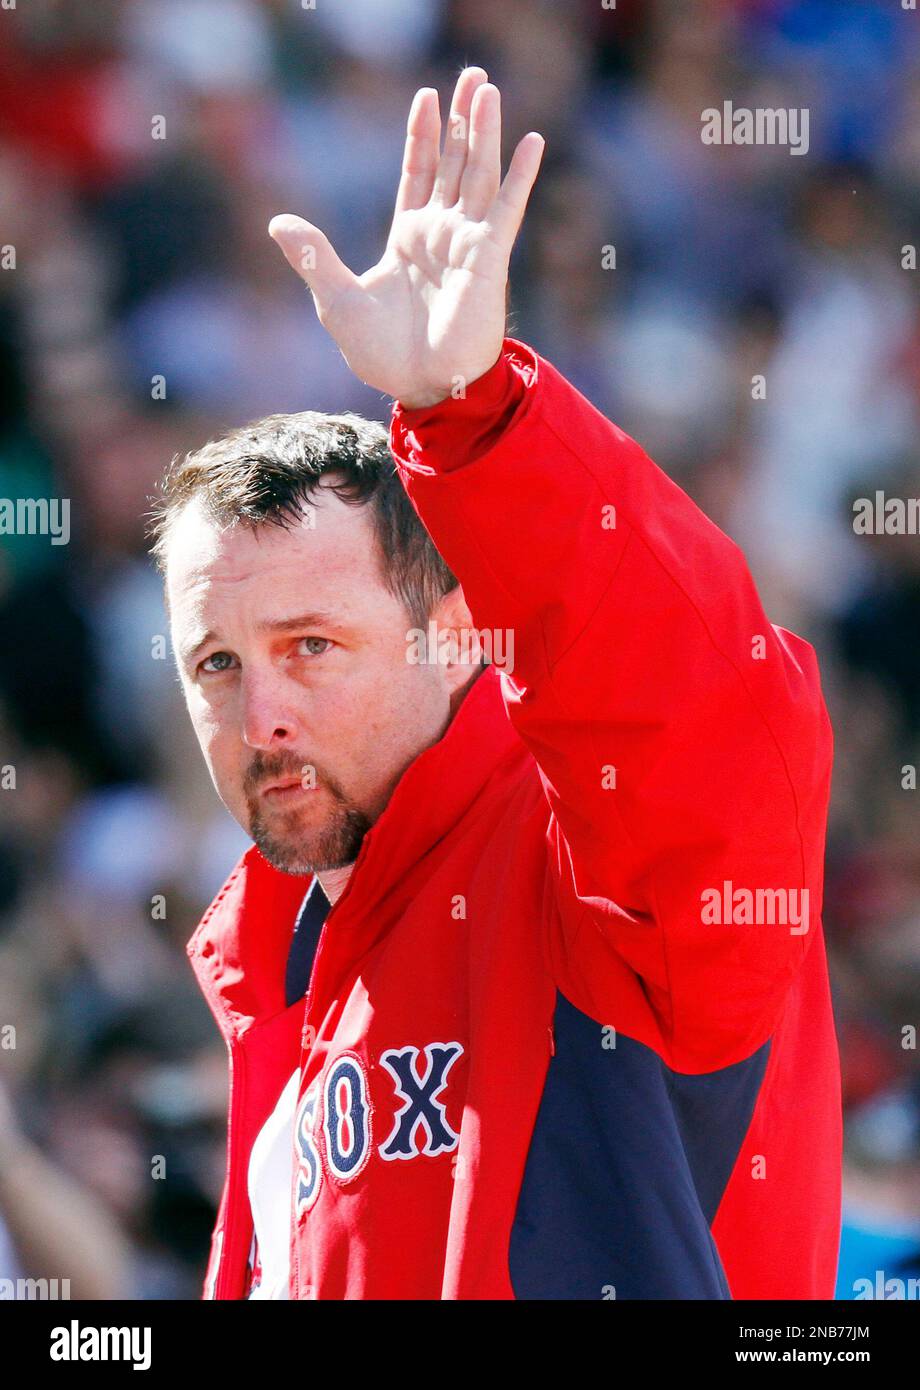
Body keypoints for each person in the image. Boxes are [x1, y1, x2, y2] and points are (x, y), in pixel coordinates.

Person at [148, 67, 841, 1300]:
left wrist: (468, 414)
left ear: (460, 631)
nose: (263, 716)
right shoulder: (273, 987)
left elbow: (714, 718)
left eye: (312, 644)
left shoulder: (577, 855)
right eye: (218, 662)